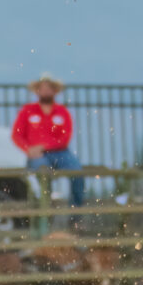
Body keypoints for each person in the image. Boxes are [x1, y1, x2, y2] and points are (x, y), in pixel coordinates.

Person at [11, 72, 85, 207]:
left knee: (77, 172)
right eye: (42, 88)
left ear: (54, 91)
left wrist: (43, 146)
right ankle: (47, 209)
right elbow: (16, 135)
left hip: (61, 152)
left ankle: (76, 211)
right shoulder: (27, 110)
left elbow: (65, 138)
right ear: (37, 91)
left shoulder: (62, 111)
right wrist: (28, 150)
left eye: (48, 88)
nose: (45, 91)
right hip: (37, 155)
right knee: (43, 174)